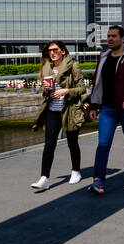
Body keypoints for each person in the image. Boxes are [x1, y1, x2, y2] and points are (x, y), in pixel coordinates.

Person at [87, 25, 124, 195]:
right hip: (108, 109)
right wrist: (94, 106)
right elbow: (97, 84)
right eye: (108, 36)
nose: (110, 39)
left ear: (123, 38)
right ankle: (98, 180)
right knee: (103, 144)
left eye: (113, 36)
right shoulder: (104, 57)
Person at [31, 41, 86, 191]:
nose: (52, 53)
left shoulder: (73, 66)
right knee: (49, 144)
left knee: (72, 142)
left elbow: (82, 88)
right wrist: (46, 90)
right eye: (49, 51)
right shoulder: (46, 68)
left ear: (62, 51)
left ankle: (76, 171)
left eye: (55, 50)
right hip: (52, 110)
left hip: (70, 109)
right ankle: (44, 178)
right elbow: (46, 92)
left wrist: (66, 91)